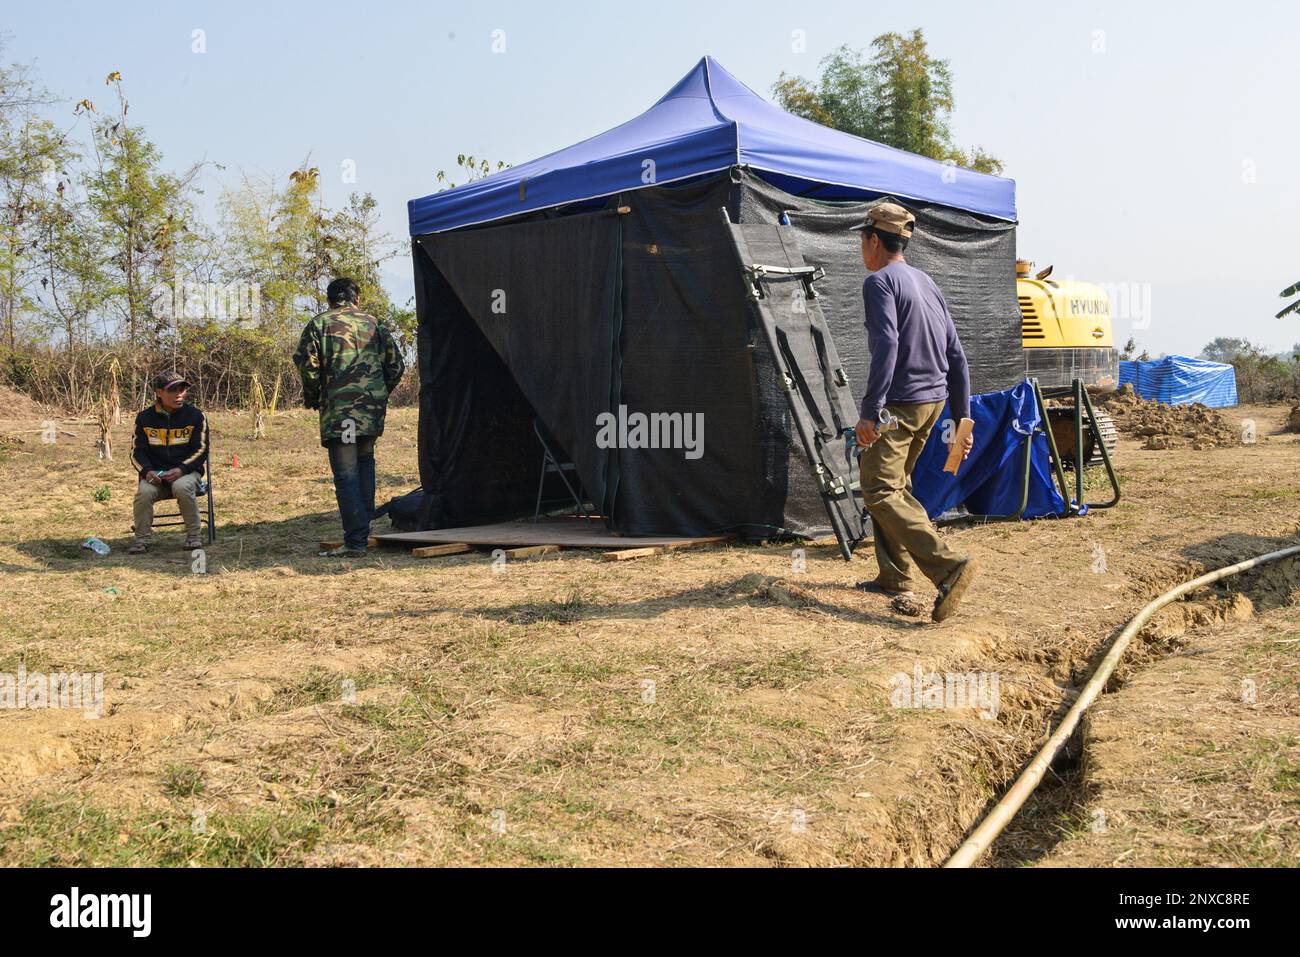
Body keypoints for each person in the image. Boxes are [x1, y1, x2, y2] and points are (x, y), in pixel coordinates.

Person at [851, 203, 977, 622]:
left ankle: (949, 567)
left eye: (861, 241)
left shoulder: (880, 283)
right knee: (896, 485)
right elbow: (956, 354)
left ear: (873, 240)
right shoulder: (926, 282)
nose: (862, 250)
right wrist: (962, 418)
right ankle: (894, 575)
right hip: (933, 402)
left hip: (901, 405)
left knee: (880, 490)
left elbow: (887, 346)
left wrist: (870, 412)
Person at [294, 277, 405, 557]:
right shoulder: (374, 324)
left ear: (330, 300)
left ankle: (355, 542)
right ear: (357, 300)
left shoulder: (319, 324)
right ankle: (361, 533)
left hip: (340, 412)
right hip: (370, 411)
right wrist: (379, 394)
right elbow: (396, 365)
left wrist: (314, 396)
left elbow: (308, 367)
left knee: (346, 474)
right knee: (365, 464)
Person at [129, 373, 209, 554]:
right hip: (156, 477)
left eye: (182, 389)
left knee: (181, 487)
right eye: (172, 390)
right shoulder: (144, 418)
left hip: (188, 474)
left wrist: (181, 469)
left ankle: (194, 536)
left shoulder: (196, 416)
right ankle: (141, 540)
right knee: (143, 493)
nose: (179, 394)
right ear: (159, 392)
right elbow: (136, 452)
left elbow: (201, 450)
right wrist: (147, 471)